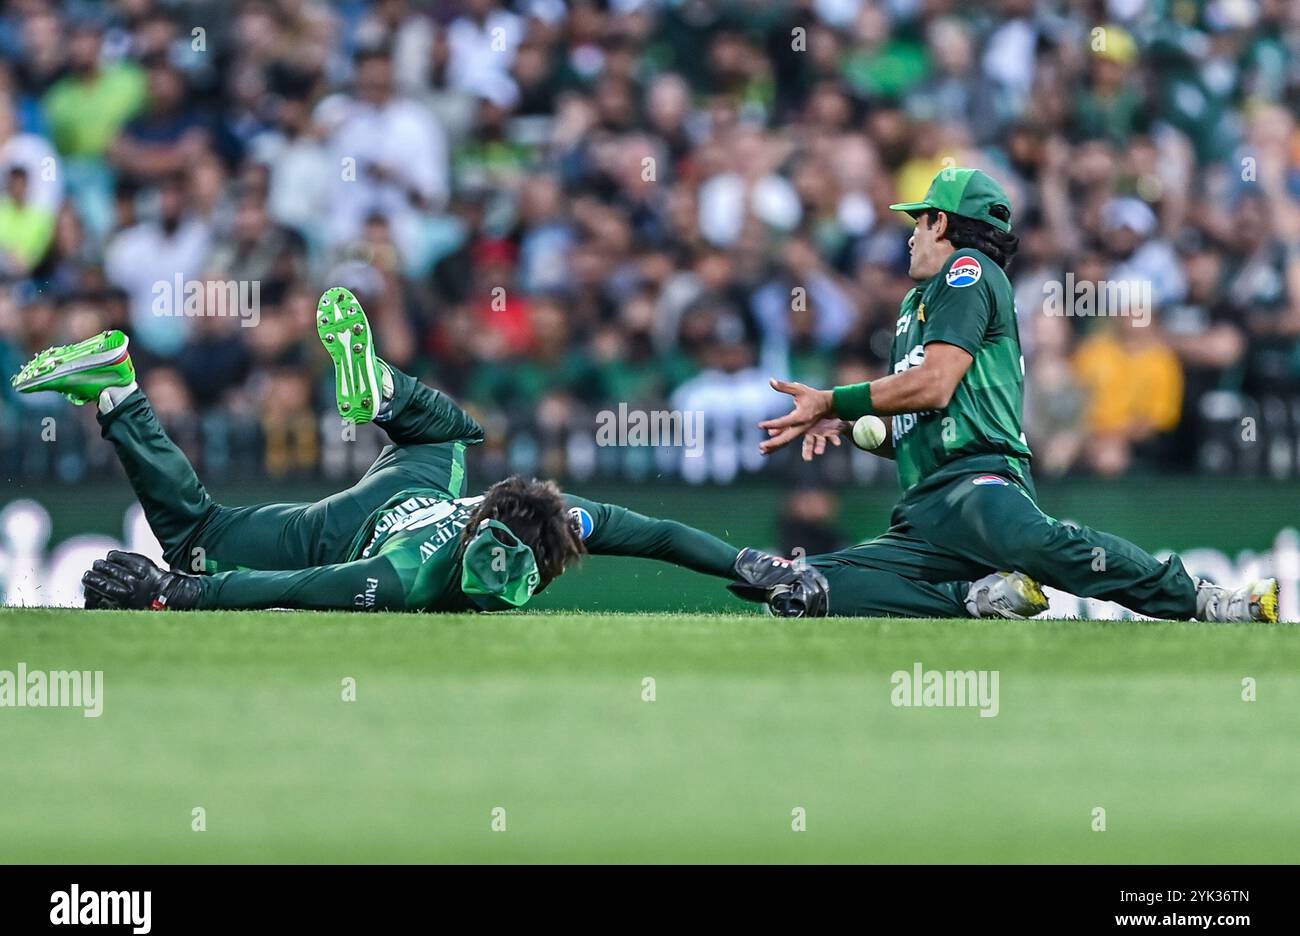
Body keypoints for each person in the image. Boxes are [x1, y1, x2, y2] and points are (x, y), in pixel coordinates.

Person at [10, 288, 818, 614]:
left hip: (429, 476)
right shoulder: (408, 576)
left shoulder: (554, 516)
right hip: (359, 528)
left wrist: (746, 561)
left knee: (456, 433)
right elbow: (302, 585)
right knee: (196, 540)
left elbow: (665, 536)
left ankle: (387, 393)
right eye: (494, 559)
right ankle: (117, 389)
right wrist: (178, 591)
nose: (490, 578)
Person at [753, 168, 1278, 623]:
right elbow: (919, 421)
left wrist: (832, 401)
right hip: (923, 506)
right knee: (805, 585)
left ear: (942, 222)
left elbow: (934, 384)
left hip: (975, 481)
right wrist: (852, 426)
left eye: (919, 220)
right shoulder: (915, 304)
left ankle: (1203, 599)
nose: (910, 235)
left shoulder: (968, 273)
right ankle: (972, 598)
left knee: (1037, 542)